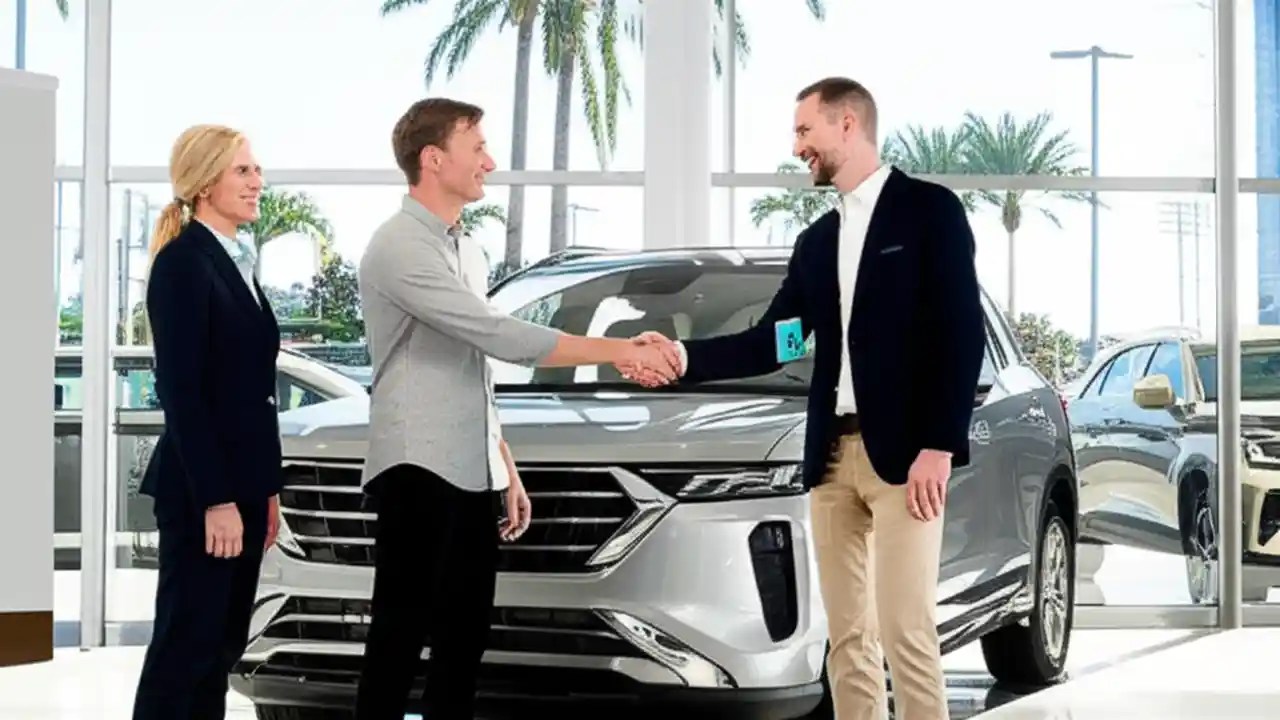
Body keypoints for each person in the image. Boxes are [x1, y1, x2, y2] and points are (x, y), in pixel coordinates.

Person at [636, 77, 986, 720]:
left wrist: (940, 445)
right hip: (830, 459)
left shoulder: (928, 212)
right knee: (848, 639)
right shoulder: (817, 242)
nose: (797, 146)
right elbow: (775, 342)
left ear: (847, 124)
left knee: (906, 629)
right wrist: (684, 358)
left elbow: (962, 333)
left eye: (804, 130)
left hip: (907, 459)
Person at [352, 97, 678, 720]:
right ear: (433, 158)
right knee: (398, 636)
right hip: (415, 466)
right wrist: (619, 349)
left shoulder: (468, 251)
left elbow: (474, 365)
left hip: (470, 467)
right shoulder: (397, 246)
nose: (490, 162)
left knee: (464, 638)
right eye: (477, 148)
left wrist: (503, 462)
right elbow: (501, 336)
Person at [131, 124, 282, 720]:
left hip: (244, 490)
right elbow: (183, 393)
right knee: (184, 652)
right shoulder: (183, 263)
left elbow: (251, 393)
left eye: (256, 169)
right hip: (203, 494)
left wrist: (265, 490)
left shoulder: (236, 263)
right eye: (243, 170)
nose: (257, 180)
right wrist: (217, 500)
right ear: (204, 183)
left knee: (219, 651)